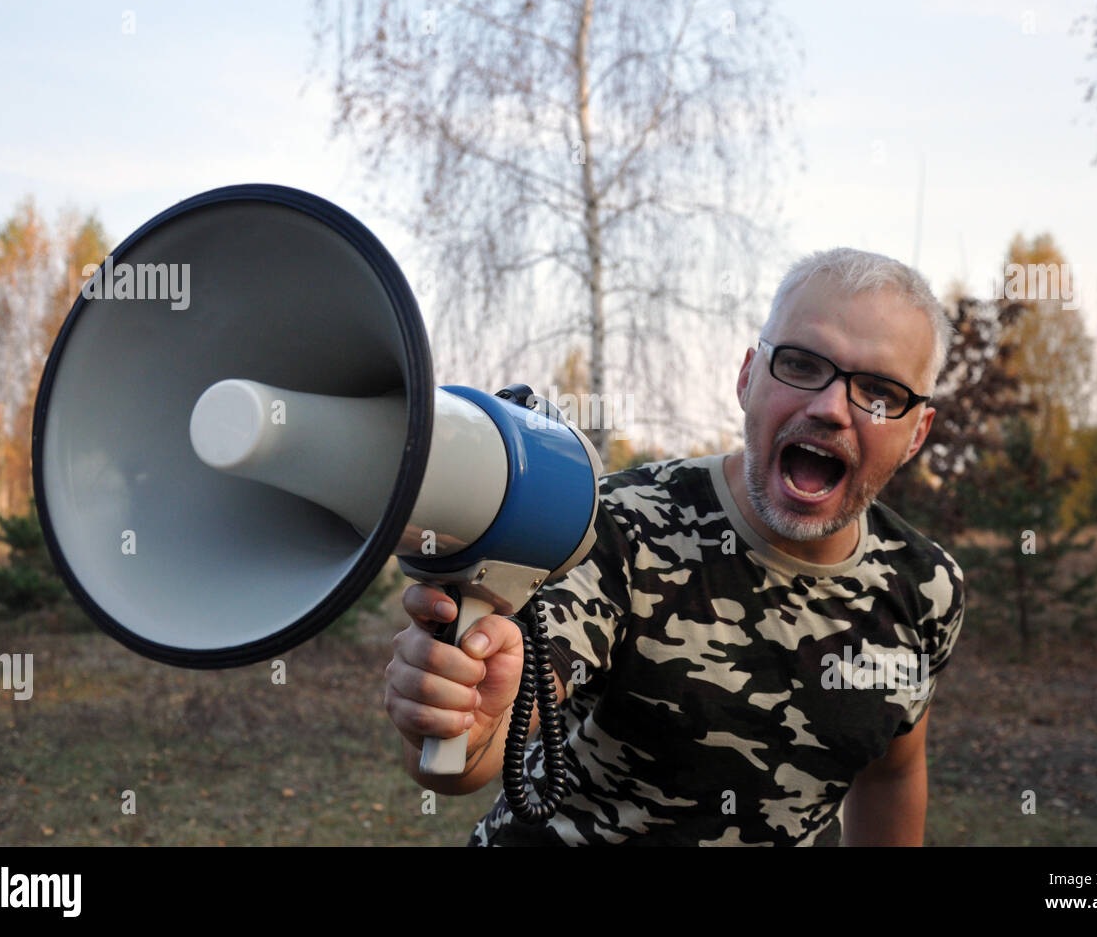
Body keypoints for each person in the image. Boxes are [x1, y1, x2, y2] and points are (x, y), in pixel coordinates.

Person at [384, 247, 965, 846]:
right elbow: (480, 745)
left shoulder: (926, 588)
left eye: (880, 392)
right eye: (801, 364)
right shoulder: (612, 524)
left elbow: (894, 770)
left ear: (917, 432)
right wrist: (461, 713)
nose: (829, 408)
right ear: (747, 378)